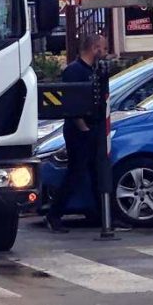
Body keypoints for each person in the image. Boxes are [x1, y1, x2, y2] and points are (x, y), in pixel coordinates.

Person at [46, 31, 108, 232]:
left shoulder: (95, 70)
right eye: (104, 49)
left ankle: (103, 215)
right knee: (76, 172)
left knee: (97, 173)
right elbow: (71, 103)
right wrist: (83, 127)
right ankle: (54, 214)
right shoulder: (74, 71)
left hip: (95, 126)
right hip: (79, 130)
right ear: (94, 48)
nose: (106, 53)